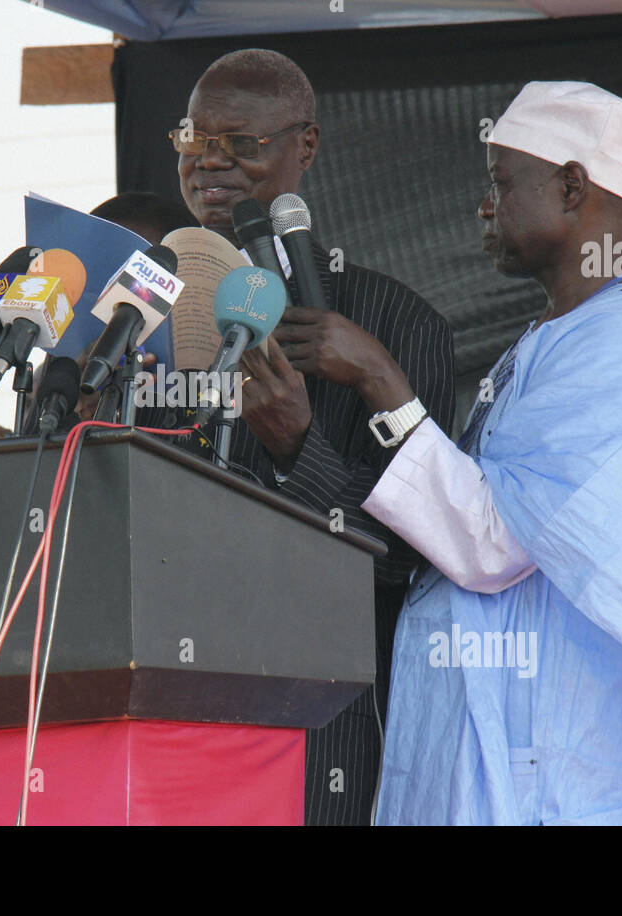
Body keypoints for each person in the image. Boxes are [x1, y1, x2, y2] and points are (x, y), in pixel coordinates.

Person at [361, 81, 622, 824]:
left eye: (500, 184)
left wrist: (381, 387)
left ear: (571, 186)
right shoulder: (553, 340)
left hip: (557, 780)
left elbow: (490, 543)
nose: (483, 206)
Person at [169, 49, 456, 825]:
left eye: (242, 143)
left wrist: (302, 448)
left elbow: (413, 560)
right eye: (196, 139)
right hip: (165, 727)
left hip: (315, 742)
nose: (210, 162)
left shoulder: (389, 327)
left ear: (307, 146)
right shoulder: (139, 320)